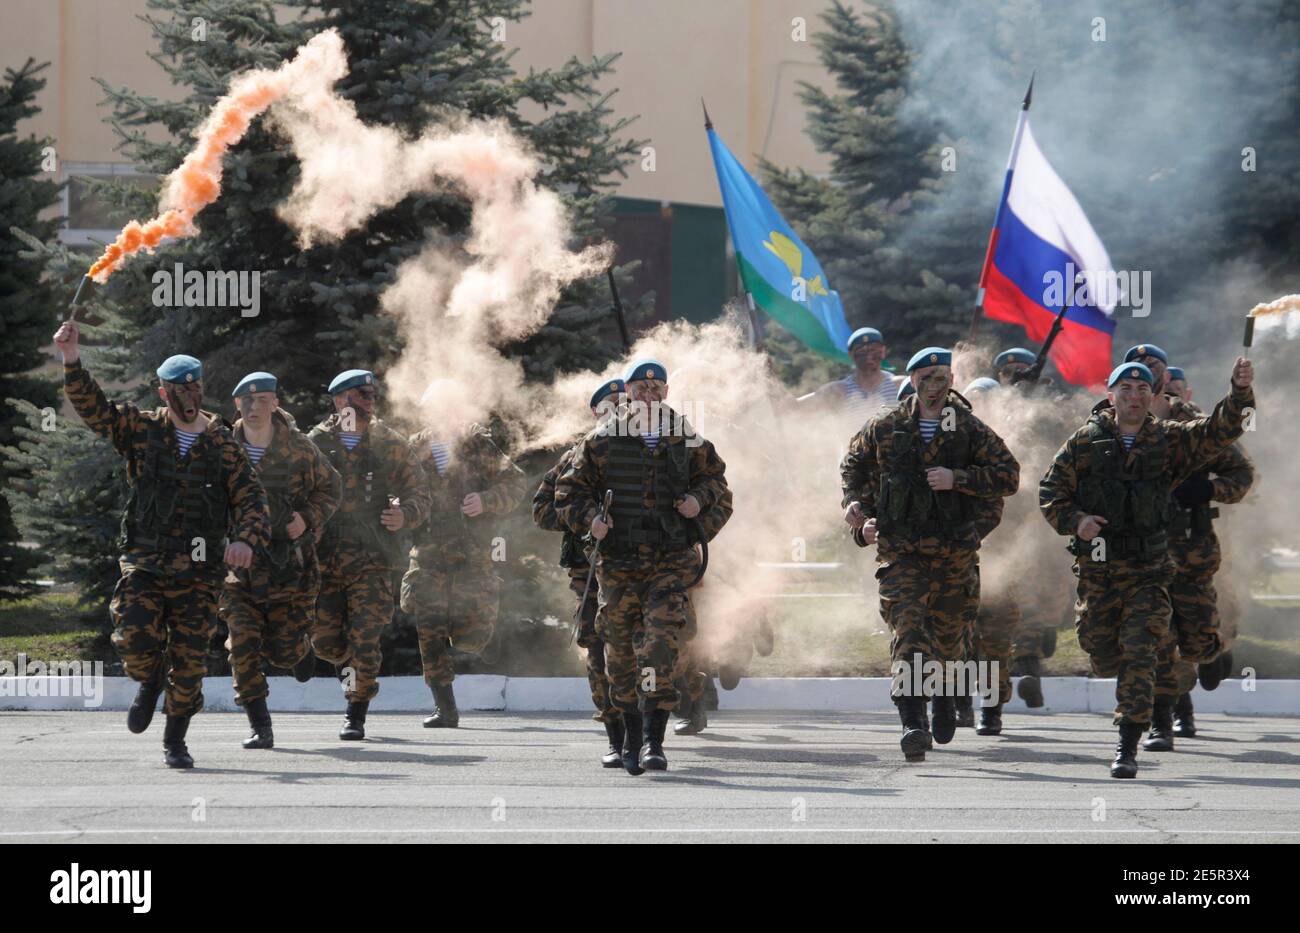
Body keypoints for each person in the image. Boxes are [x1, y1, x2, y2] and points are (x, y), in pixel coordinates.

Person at [53, 322, 270, 768]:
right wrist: (72, 359)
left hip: (198, 570)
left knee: (190, 663)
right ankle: (149, 679)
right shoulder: (140, 429)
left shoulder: (223, 445)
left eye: (195, 389)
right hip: (146, 560)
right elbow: (95, 411)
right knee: (132, 633)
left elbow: (252, 499)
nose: (189, 398)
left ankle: (175, 740)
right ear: (163, 393)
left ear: (201, 389)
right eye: (179, 391)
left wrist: (245, 539)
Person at [1039, 357, 1255, 778]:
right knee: (1102, 654)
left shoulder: (1169, 440)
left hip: (1150, 569)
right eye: (1125, 389)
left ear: (1154, 397)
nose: (1134, 397)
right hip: (1100, 569)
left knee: (1142, 650)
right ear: (1110, 395)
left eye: (1143, 390)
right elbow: (1051, 492)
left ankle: (1127, 744)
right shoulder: (1084, 442)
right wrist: (1077, 521)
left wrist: (1239, 391)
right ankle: (1140, 712)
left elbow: (1220, 430)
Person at [841, 347, 1019, 762]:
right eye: (926, 378)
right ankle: (912, 723)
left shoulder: (969, 429)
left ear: (951, 382)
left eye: (942, 378)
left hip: (954, 555)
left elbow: (1008, 476)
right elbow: (853, 468)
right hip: (900, 554)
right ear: (913, 381)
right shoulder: (885, 428)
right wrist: (855, 508)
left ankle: (945, 698)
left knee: (950, 640)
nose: (935, 386)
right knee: (907, 634)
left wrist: (958, 478)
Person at [555, 359, 732, 774]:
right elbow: (568, 492)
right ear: (629, 393)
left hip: (670, 563)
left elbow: (719, 489)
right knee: (618, 655)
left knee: (658, 647)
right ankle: (628, 741)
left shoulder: (686, 438)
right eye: (640, 390)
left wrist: (697, 508)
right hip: (617, 565)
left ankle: (654, 741)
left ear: (666, 393)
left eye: (656, 390)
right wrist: (591, 521)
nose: (648, 397)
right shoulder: (601, 441)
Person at [219, 372, 340, 749]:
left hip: (291, 570)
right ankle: (260, 725)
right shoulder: (222, 447)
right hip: (240, 572)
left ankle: (301, 651)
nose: (255, 408)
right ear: (237, 405)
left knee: (283, 651)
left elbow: (331, 488)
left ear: (275, 404)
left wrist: (307, 517)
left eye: (263, 400)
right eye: (247, 401)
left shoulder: (300, 448)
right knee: (241, 645)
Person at [308, 370, 431, 740]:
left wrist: (404, 514)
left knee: (365, 638)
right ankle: (349, 682)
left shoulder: (389, 443)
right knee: (328, 642)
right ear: (339, 399)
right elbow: (294, 489)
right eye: (361, 395)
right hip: (326, 560)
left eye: (372, 396)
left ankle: (355, 711)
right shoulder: (315, 443)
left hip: (373, 560)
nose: (368, 402)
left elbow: (419, 492)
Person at [1146, 368, 1255, 746]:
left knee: (1195, 635)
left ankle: (1212, 652)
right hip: (1145, 556)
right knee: (1160, 636)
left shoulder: (1198, 429)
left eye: (1166, 385)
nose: (1166, 392)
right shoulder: (1124, 429)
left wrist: (1206, 488)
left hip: (1196, 549)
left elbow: (1242, 477)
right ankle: (1169, 716)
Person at [403, 405, 525, 728]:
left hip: (471, 556)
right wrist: (397, 506)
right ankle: (445, 708)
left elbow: (515, 484)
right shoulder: (414, 448)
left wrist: (485, 500)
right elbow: (396, 490)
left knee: (470, 638)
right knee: (429, 630)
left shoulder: (478, 444)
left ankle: (486, 635)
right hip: (428, 557)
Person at [533, 379, 626, 765]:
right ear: (596, 412)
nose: (620, 410)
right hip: (588, 571)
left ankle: (652, 720)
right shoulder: (576, 456)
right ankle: (615, 732)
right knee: (598, 644)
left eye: (625, 403)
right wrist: (587, 522)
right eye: (611, 404)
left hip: (638, 566)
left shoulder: (650, 450)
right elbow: (542, 510)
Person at [799, 327, 904, 422]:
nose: (869, 356)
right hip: (852, 442)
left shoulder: (900, 385)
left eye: (873, 349)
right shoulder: (839, 391)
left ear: (883, 351)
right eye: (861, 351)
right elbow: (797, 406)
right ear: (851, 355)